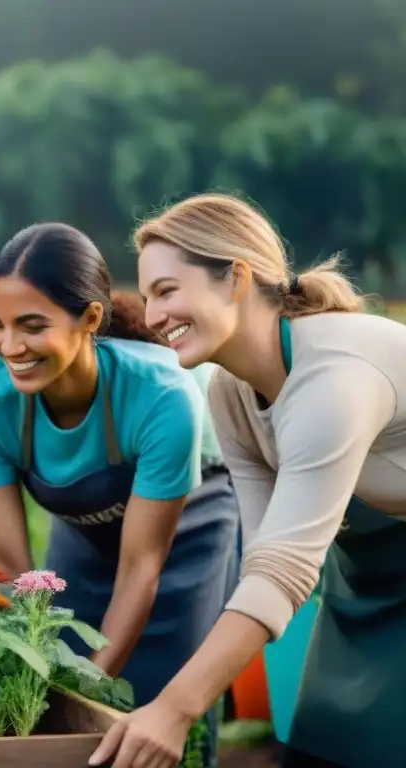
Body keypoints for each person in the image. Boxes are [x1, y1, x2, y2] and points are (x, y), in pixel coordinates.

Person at [93, 193, 406, 768]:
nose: (155, 315)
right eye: (148, 296)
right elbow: (268, 558)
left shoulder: (335, 379)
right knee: (319, 749)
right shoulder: (229, 392)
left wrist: (176, 709)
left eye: (167, 290)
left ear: (235, 277)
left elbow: (282, 573)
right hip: (363, 586)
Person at [0, 223, 239, 765]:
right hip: (82, 531)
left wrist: (85, 693)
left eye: (32, 326)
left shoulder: (161, 396)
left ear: (89, 319)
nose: (9, 346)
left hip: (186, 530)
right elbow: (3, 558)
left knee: (160, 704)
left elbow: (141, 568)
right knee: (58, 660)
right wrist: (31, 673)